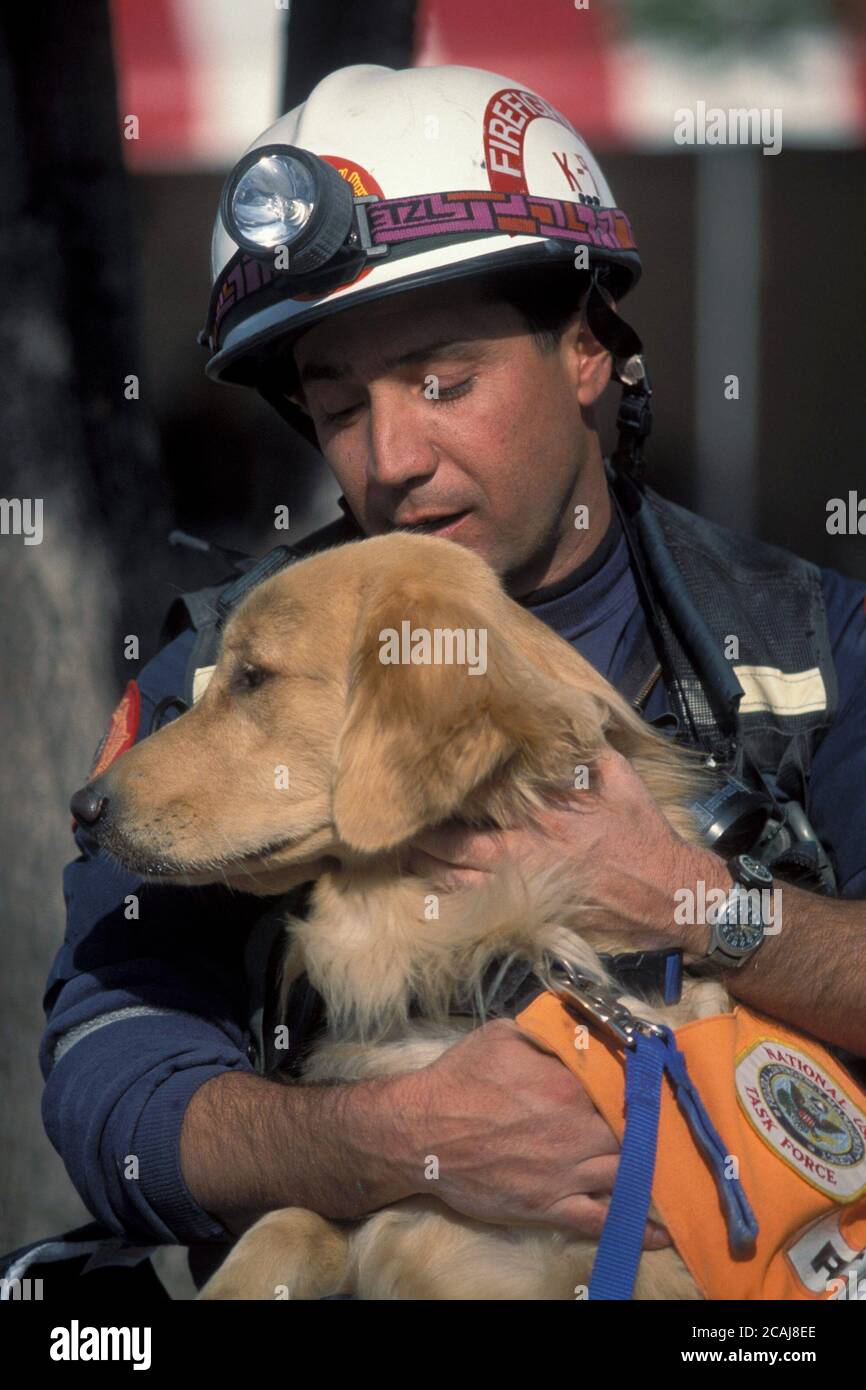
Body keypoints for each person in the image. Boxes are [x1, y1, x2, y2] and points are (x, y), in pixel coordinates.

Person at [35, 63, 866, 1296]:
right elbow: (111, 1074)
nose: (391, 460)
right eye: (336, 406)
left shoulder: (815, 644)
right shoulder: (215, 674)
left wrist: (700, 906)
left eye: (440, 380)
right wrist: (392, 1139)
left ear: (585, 351)